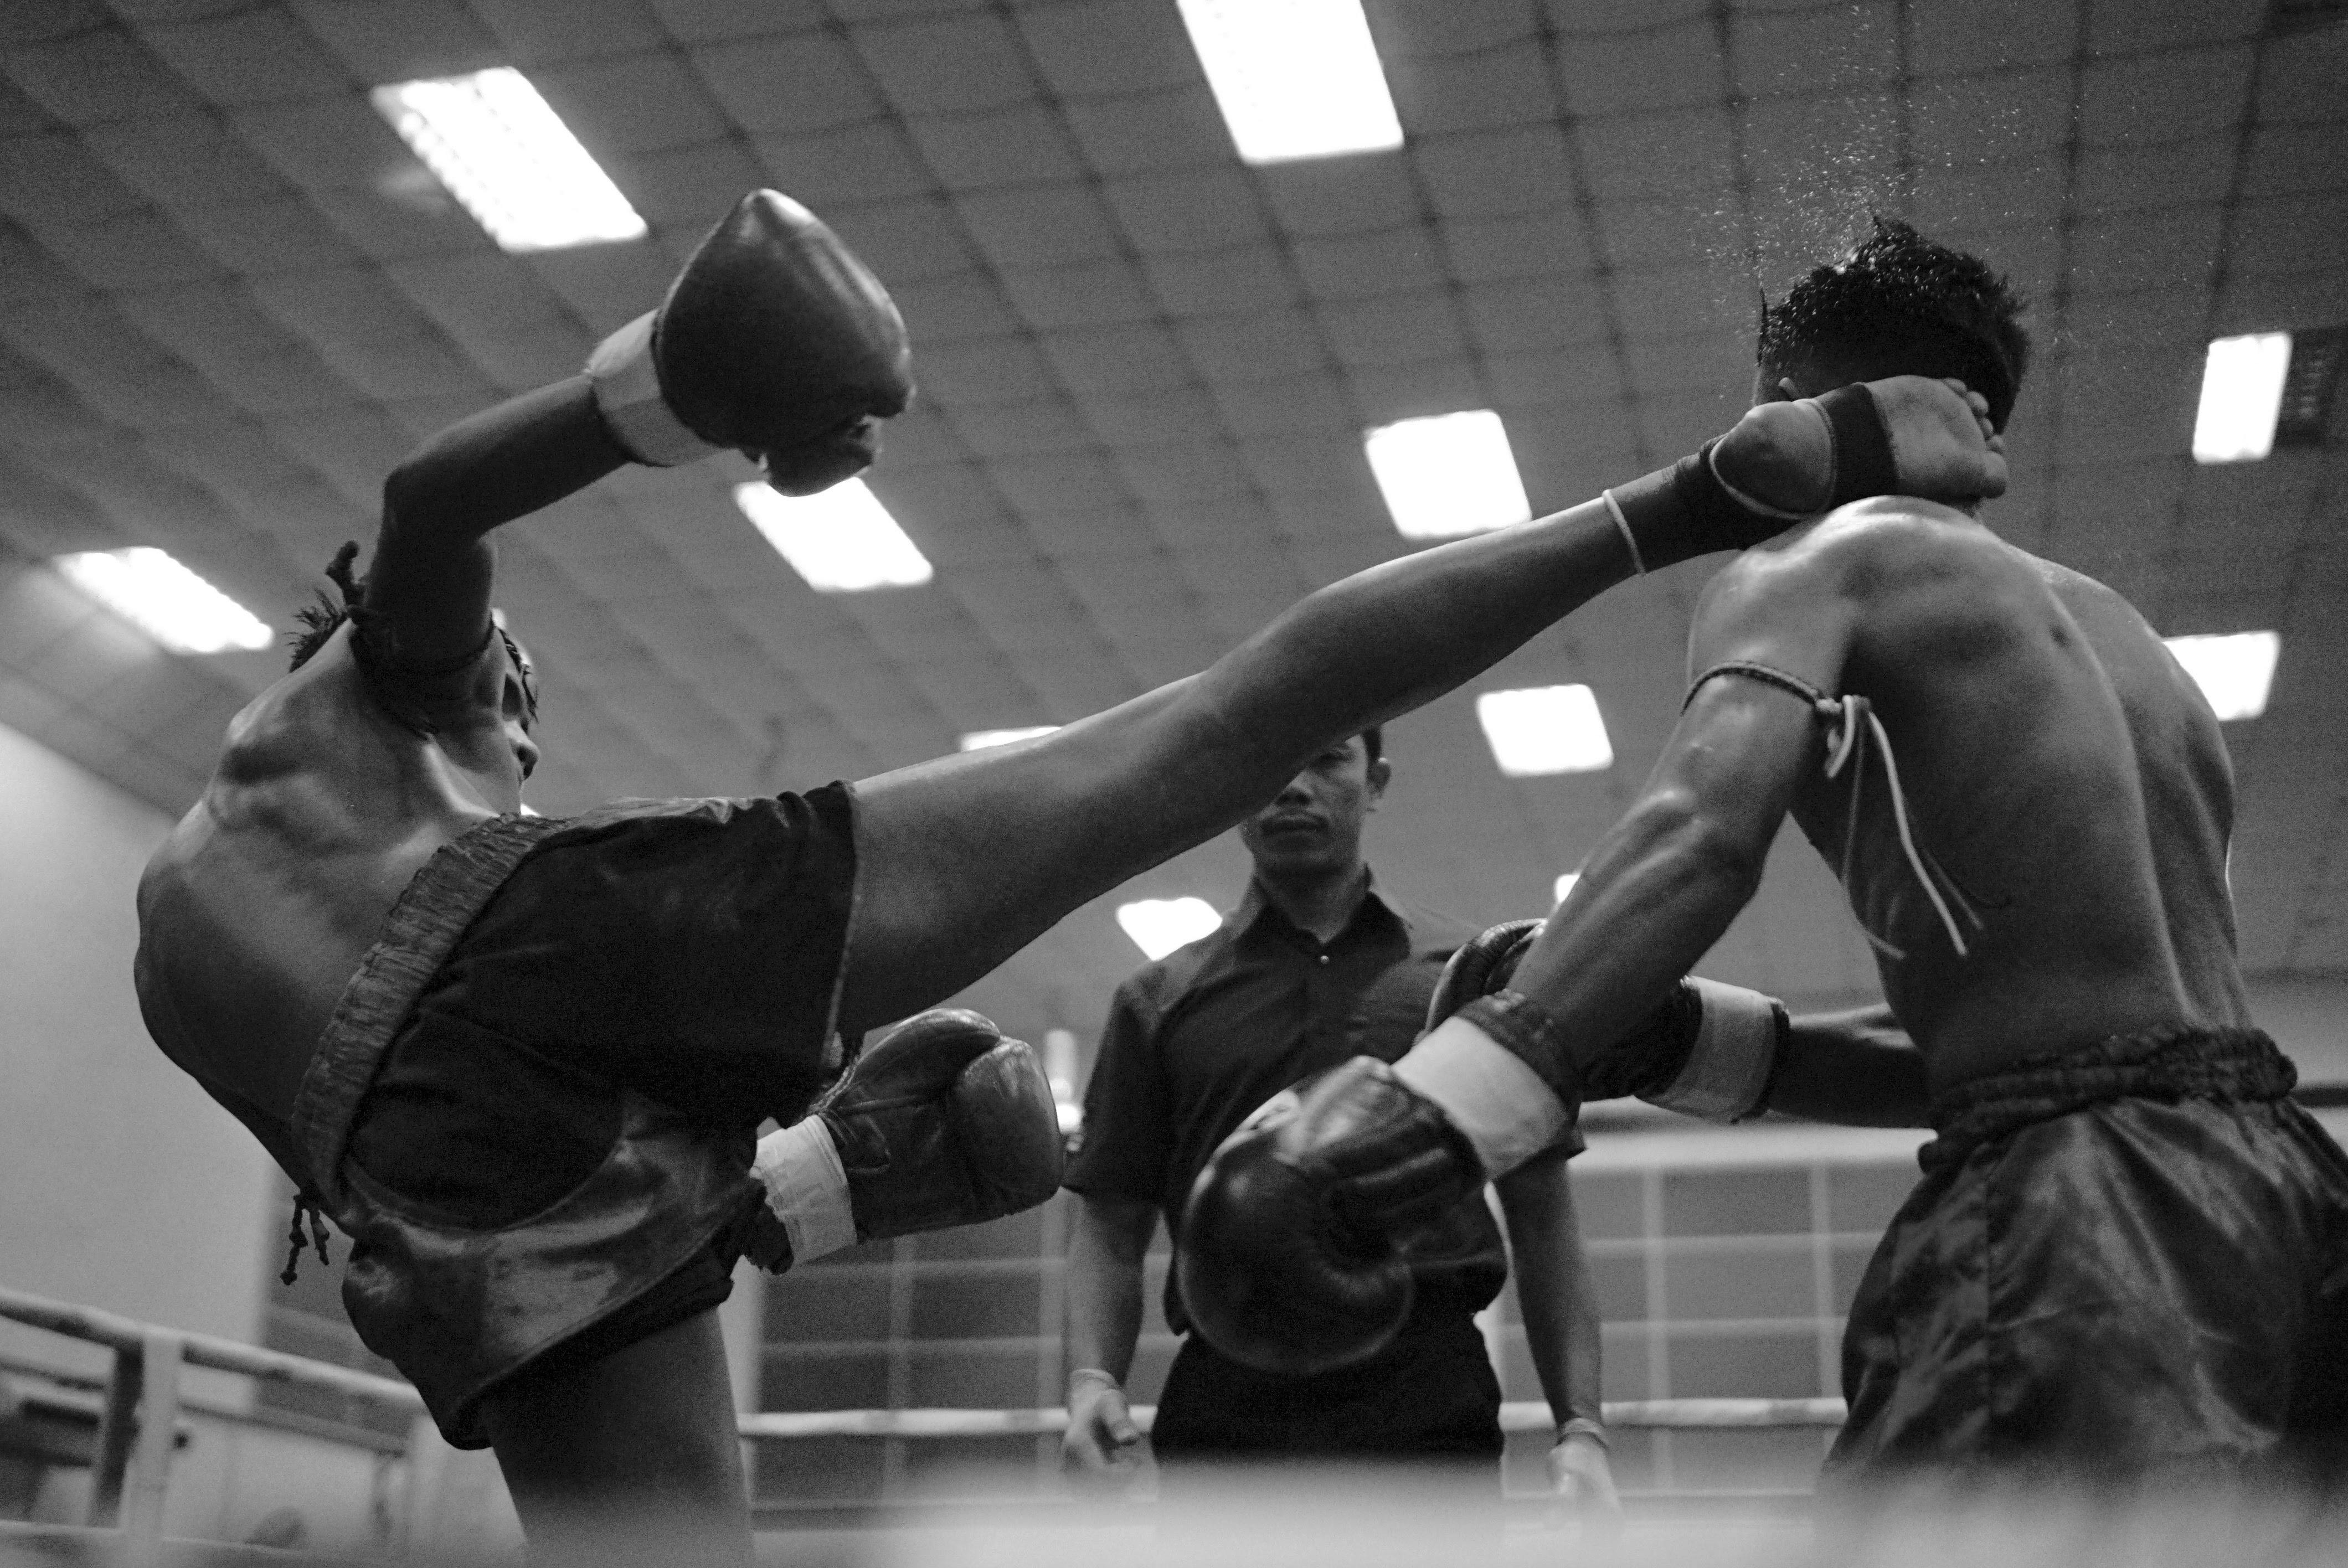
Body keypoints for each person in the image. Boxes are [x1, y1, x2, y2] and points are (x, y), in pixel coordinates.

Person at [131, 176, 2004, 1563]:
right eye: (509, 705)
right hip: (530, 975)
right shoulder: (375, 699)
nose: (516, 735)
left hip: (420, 1197)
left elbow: (437, 1109)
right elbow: (429, 508)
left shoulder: (186, 923)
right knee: (1215, 726)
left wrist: (758, 1194)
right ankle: (1700, 498)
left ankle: (783, 1201)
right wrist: (666, 392)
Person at [1180, 219, 2348, 1487]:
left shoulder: (1815, 565)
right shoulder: (2136, 651)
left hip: (2085, 1225)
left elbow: (1697, 837)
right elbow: (2060, 1049)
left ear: (1785, 403)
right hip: (2286, 1197)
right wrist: (1687, 1043)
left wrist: (1448, 1107)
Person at [1060, 732, 1617, 1508]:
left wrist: (1581, 1428)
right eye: (1270, 761)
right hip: (1229, 1398)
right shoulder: (1156, 1001)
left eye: (1326, 758)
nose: (1294, 785)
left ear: (1376, 781)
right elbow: (1111, 1229)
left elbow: (1543, 1215)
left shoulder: (1472, 979)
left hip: (1426, 1389)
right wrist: (1093, 1382)